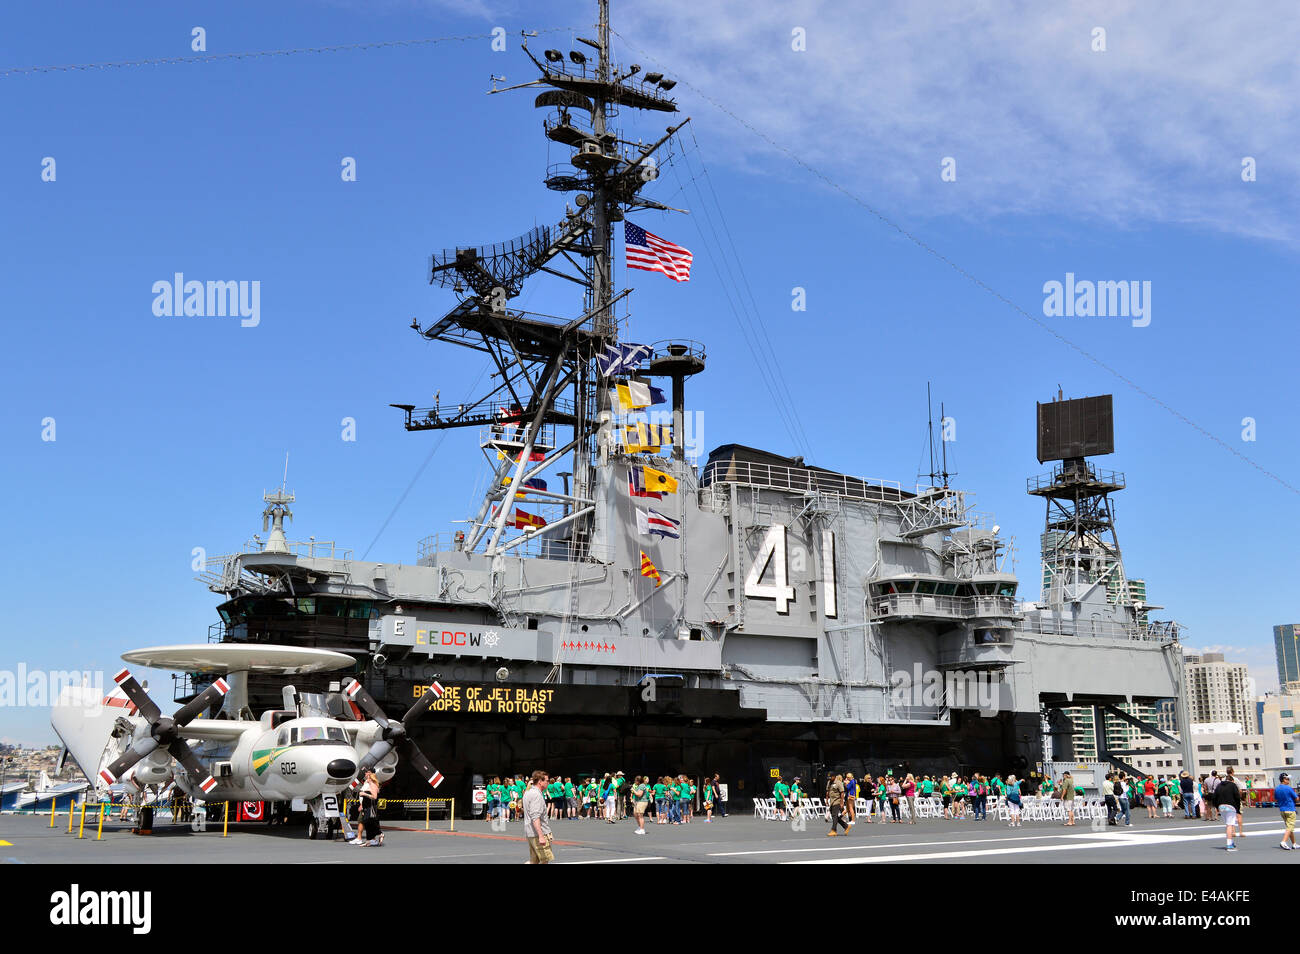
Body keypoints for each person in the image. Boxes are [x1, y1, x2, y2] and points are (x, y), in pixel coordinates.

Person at [523, 770, 554, 864]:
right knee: (545, 859)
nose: (548, 783)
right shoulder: (536, 795)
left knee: (534, 860)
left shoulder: (528, 792)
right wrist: (541, 836)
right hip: (538, 833)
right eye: (547, 781)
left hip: (530, 832)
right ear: (540, 781)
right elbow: (535, 817)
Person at [1213, 768, 1241, 851]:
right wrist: (1238, 808)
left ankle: (1231, 841)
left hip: (1221, 806)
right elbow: (1237, 797)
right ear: (1232, 781)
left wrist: (1217, 807)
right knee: (1230, 825)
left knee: (1228, 824)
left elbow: (1214, 797)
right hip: (1230, 806)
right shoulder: (1233, 785)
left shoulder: (1219, 785)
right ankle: (1229, 844)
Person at [1275, 772, 1297, 851]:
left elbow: (1276, 798)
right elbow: (1296, 798)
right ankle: (1283, 842)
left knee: (1289, 827)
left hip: (1282, 810)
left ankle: (1294, 843)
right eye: (1287, 779)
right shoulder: (1288, 788)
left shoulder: (1277, 788)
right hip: (1290, 809)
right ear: (1283, 779)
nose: (1288, 780)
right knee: (1290, 827)